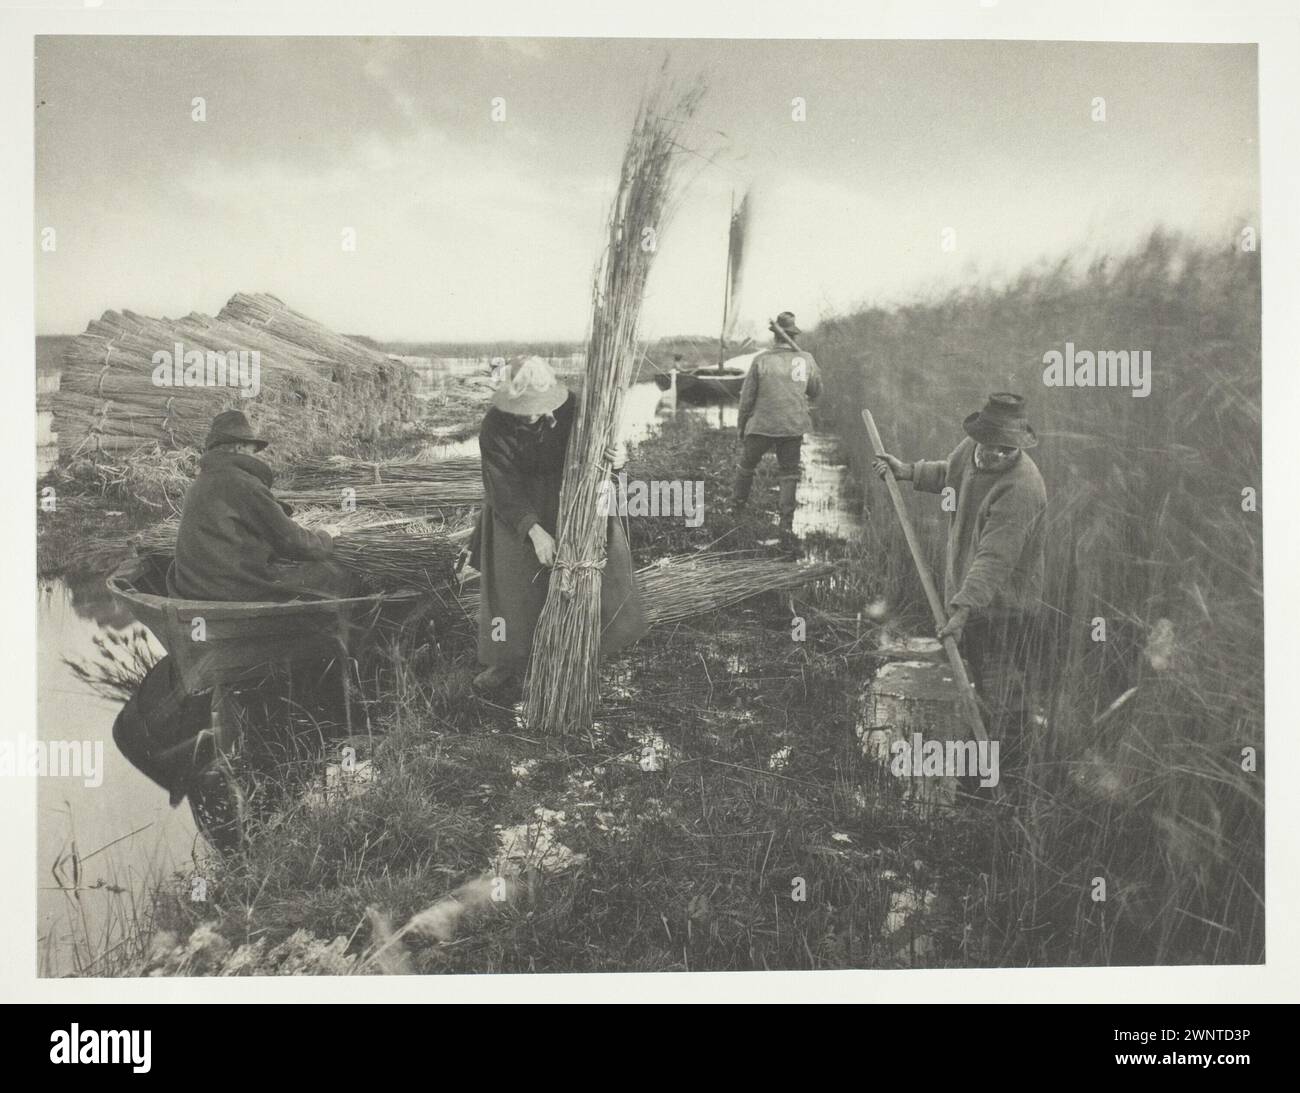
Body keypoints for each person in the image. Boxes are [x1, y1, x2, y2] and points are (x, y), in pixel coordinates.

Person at [873, 393, 1048, 764]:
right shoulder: (971, 448)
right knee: (983, 684)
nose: (993, 455)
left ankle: (1005, 774)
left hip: (1005, 605)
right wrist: (907, 471)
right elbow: (950, 474)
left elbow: (994, 558)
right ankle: (990, 759)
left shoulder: (1022, 487)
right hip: (970, 595)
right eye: (989, 446)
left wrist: (962, 609)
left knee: (1001, 694)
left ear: (1015, 447)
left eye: (1004, 450)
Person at [470, 357, 648, 693]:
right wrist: (534, 532)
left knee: (594, 567)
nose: (533, 415)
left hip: (572, 494)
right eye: (525, 408)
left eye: (539, 407)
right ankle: (506, 660)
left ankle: (585, 649)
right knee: (511, 581)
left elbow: (605, 455)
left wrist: (618, 458)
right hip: (517, 503)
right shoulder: (494, 425)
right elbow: (501, 484)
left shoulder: (577, 408)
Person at [168, 410, 353, 602]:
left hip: (192, 586)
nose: (254, 457)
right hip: (229, 589)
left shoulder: (199, 483)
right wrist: (325, 536)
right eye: (251, 450)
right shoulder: (244, 484)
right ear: (240, 447)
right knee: (335, 572)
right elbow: (294, 542)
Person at [733, 310, 822, 534]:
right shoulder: (806, 359)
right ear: (794, 336)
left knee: (746, 466)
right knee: (789, 472)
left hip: (761, 425)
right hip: (792, 426)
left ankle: (737, 509)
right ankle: (786, 523)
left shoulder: (761, 360)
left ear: (774, 336)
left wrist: (741, 426)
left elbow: (747, 399)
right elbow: (815, 391)